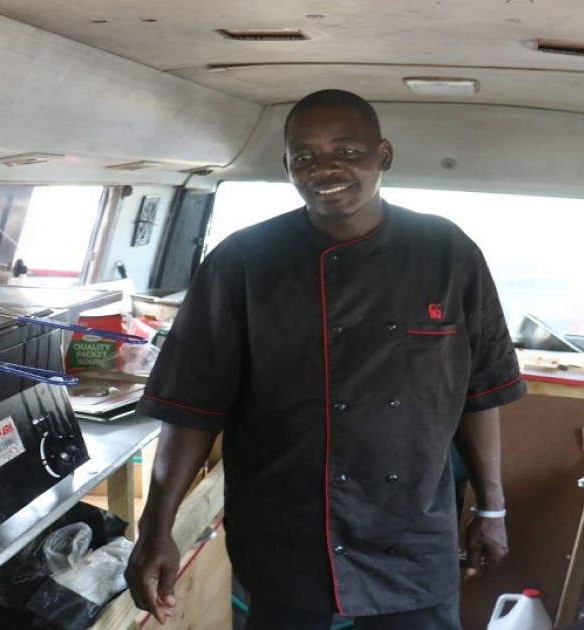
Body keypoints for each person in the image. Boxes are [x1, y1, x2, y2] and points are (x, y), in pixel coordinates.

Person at [127, 89, 526, 629]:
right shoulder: (242, 262)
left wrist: (491, 510)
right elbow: (191, 405)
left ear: (382, 154)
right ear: (287, 165)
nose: (326, 168)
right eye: (305, 156)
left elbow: (482, 392)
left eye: (347, 149)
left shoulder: (447, 252)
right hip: (287, 530)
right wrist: (157, 529)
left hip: (410, 532)